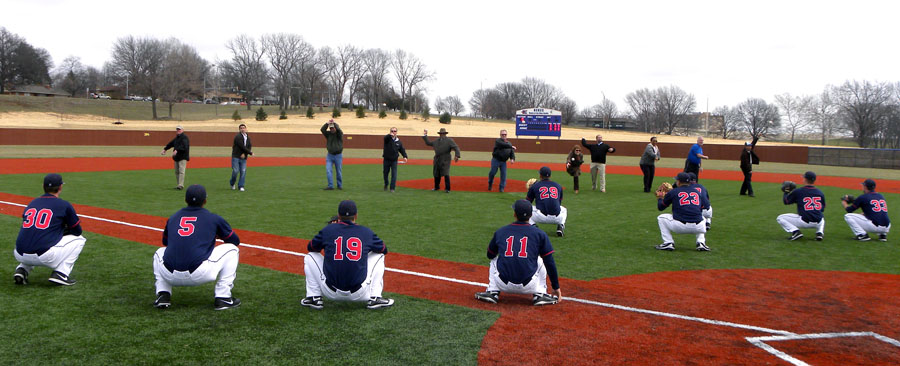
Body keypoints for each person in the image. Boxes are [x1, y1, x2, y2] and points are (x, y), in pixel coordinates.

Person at [152, 185, 242, 310]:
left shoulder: (173, 218)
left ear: (185, 200)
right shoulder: (213, 218)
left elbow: (165, 242)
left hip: (169, 274)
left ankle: (163, 295)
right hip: (199, 274)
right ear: (205, 200)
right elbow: (234, 241)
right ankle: (223, 297)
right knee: (232, 250)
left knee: (159, 252)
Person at [301, 200, 394, 310]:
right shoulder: (366, 232)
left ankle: (314, 298)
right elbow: (383, 249)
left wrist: (330, 235)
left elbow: (311, 247)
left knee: (310, 256)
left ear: (338, 215)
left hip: (330, 291)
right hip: (360, 293)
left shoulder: (328, 230)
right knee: (379, 256)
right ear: (356, 215)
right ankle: (375, 297)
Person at [474, 199, 561, 306]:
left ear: (514, 214)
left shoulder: (501, 231)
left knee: (494, 260)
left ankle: (492, 292)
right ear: (531, 215)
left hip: (502, 284)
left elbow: (490, 254)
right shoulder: (540, 234)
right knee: (543, 259)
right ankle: (540, 294)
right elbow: (550, 263)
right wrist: (556, 287)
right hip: (529, 285)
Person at [13, 173, 86, 286]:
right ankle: (61, 274)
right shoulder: (64, 205)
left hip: (19, 253)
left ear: (43, 186)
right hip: (45, 257)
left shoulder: (32, 203)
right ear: (60, 187)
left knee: (34, 236)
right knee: (80, 240)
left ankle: (22, 270)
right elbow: (77, 231)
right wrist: (62, 230)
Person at [655, 172, 710, 252]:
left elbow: (661, 207)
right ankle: (701, 243)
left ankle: (668, 242)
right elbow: (706, 206)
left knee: (661, 218)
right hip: (699, 227)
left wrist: (660, 198)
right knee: (702, 218)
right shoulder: (697, 192)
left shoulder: (674, 192)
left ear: (679, 182)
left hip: (680, 226)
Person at [776, 171, 825, 241]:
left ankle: (796, 232)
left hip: (804, 221)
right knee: (821, 216)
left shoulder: (799, 191)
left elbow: (786, 201)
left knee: (780, 218)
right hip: (818, 222)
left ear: (805, 179)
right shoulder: (820, 192)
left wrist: (786, 192)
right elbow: (822, 209)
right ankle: (819, 233)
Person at [527, 167, 567, 237]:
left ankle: (534, 227)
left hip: (541, 217)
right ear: (550, 176)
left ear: (540, 175)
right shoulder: (558, 186)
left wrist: (531, 190)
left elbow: (527, 203)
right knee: (564, 209)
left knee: (527, 209)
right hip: (557, 217)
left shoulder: (535, 186)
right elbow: (559, 203)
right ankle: (560, 226)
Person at [422, 128, 461, 193]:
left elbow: (456, 147)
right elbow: (428, 143)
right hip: (437, 159)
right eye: (441, 134)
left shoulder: (449, 140)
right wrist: (425, 135)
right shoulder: (436, 141)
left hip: (446, 159)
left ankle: (447, 189)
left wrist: (457, 155)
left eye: (443, 134)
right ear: (439, 134)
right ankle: (436, 187)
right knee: (436, 173)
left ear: (445, 134)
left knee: (446, 173)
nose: (442, 135)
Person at [161, 125, 190, 190]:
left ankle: (181, 185)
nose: (178, 130)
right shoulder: (177, 138)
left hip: (183, 157)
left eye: (179, 129)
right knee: (177, 172)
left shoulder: (185, 138)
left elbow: (184, 147)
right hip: (176, 157)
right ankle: (178, 185)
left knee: (181, 171)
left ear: (182, 130)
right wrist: (165, 149)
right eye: (177, 129)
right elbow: (171, 144)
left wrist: (177, 150)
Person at [382, 127, 408, 193]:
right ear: (390, 131)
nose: (393, 132)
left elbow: (402, 149)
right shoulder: (387, 139)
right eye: (392, 131)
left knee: (394, 174)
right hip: (386, 159)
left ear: (397, 132)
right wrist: (389, 135)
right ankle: (386, 184)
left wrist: (405, 156)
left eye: (395, 131)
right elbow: (385, 138)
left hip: (394, 160)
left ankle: (392, 188)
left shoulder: (398, 141)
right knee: (385, 173)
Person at [321, 119, 343, 190]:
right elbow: (322, 130)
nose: (331, 129)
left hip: (338, 155)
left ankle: (339, 185)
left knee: (338, 171)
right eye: (330, 128)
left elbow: (339, 130)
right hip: (330, 155)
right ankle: (330, 186)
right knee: (328, 170)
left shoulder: (339, 134)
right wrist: (327, 123)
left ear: (335, 128)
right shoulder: (328, 134)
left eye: (332, 128)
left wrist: (334, 123)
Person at [230, 123, 253, 192]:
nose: (243, 129)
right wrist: (250, 153)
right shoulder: (238, 137)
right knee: (235, 171)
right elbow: (241, 146)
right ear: (239, 130)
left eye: (244, 128)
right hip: (236, 156)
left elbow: (249, 146)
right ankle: (232, 183)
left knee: (243, 171)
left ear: (246, 129)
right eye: (241, 128)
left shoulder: (248, 138)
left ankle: (241, 186)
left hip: (243, 157)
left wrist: (245, 154)